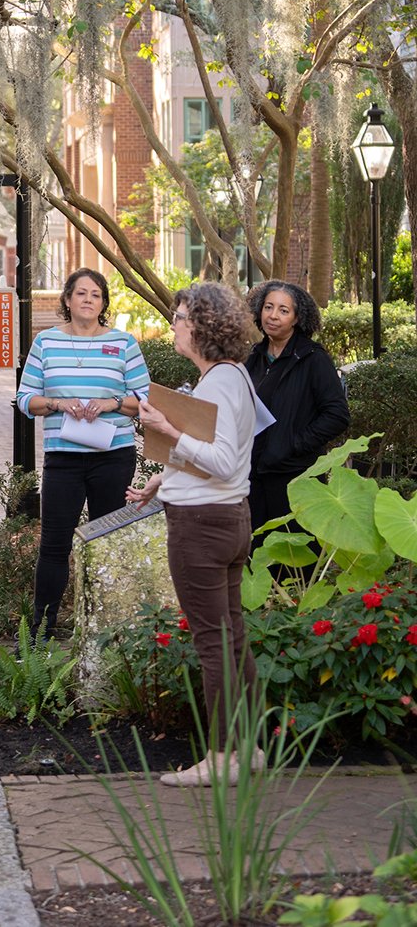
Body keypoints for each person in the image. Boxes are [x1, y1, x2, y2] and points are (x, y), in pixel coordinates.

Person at [128, 283, 262, 787]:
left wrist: (166, 426)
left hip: (202, 528)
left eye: (180, 315)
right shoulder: (229, 378)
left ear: (203, 326)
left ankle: (224, 757)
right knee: (232, 639)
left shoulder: (219, 383)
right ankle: (247, 751)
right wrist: (164, 478)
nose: (174, 323)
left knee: (213, 643)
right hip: (226, 518)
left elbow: (223, 460)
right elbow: (223, 461)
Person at [16, 267, 151, 640]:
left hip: (113, 456)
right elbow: (25, 399)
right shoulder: (46, 343)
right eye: (80, 293)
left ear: (104, 302)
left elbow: (146, 399)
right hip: (63, 459)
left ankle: (106, 631)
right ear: (67, 300)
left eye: (95, 294)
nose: (88, 299)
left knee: (106, 542)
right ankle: (41, 634)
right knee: (54, 545)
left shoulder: (124, 344)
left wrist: (109, 403)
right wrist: (60, 404)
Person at [245, 280, 350, 538]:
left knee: (294, 562)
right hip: (253, 474)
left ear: (297, 318)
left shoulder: (313, 358)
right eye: (268, 307)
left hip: (295, 476)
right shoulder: (254, 356)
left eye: (283, 310)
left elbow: (337, 415)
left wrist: (294, 444)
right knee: (255, 556)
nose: (273, 315)